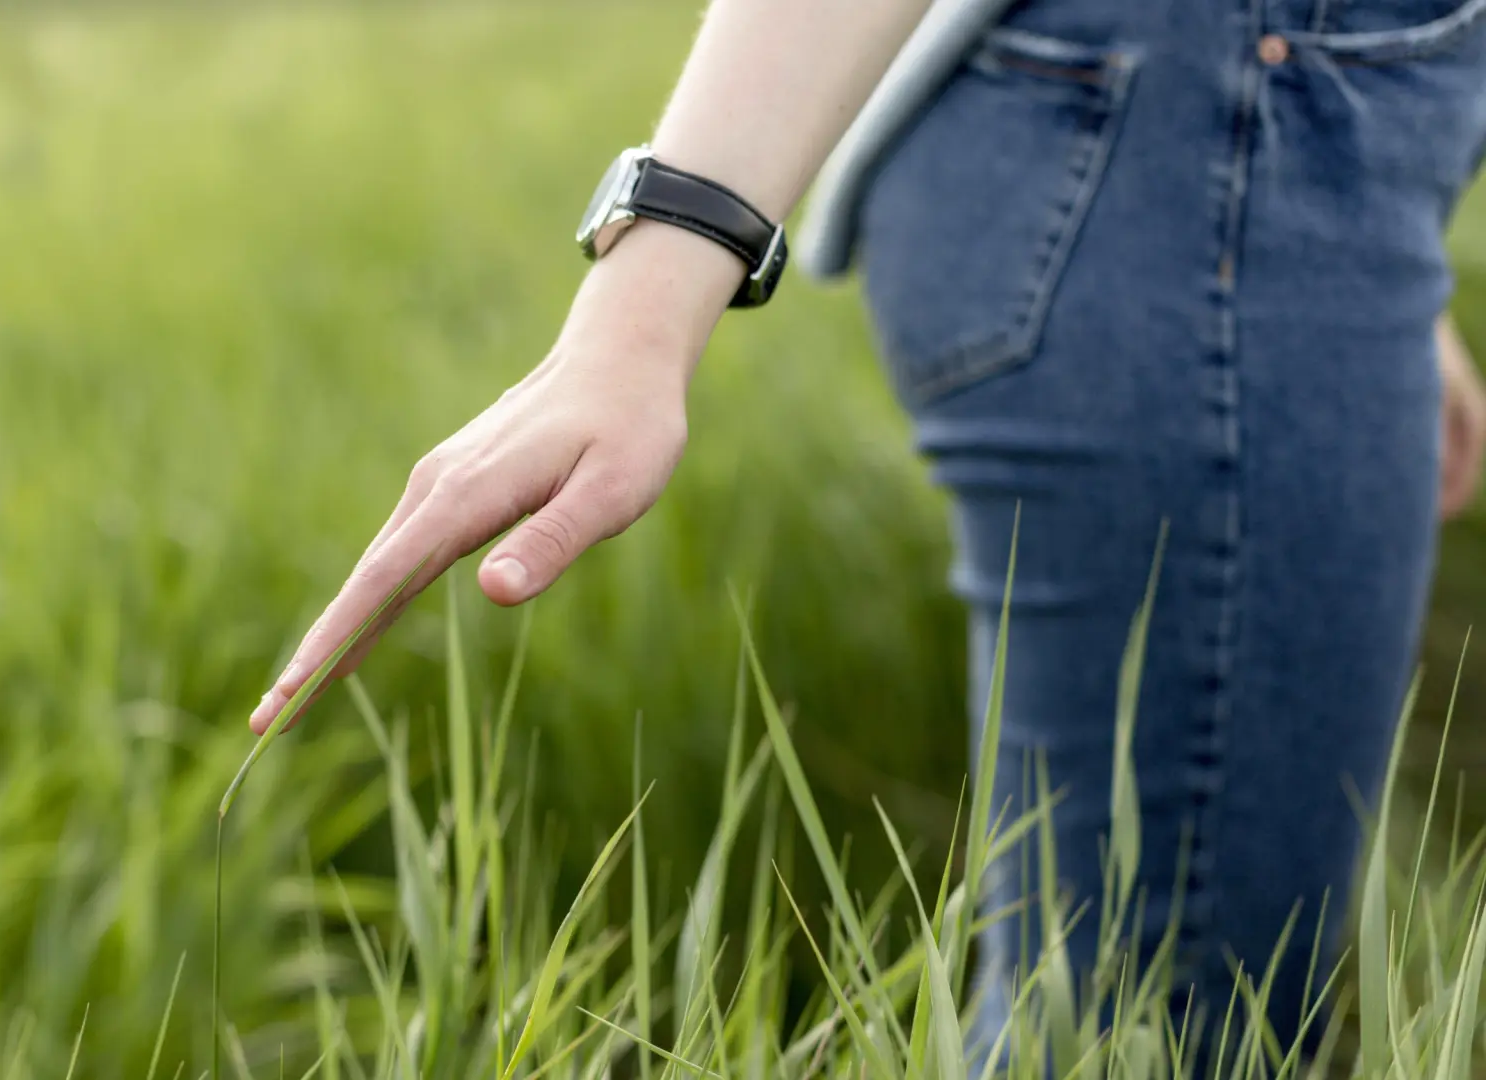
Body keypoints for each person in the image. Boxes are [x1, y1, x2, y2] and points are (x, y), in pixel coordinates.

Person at [248, 0, 1486, 1069]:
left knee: (1146, 1000)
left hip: (1235, 171)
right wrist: (645, 294)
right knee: (1163, 1025)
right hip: (1190, 168)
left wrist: (1352, 240)